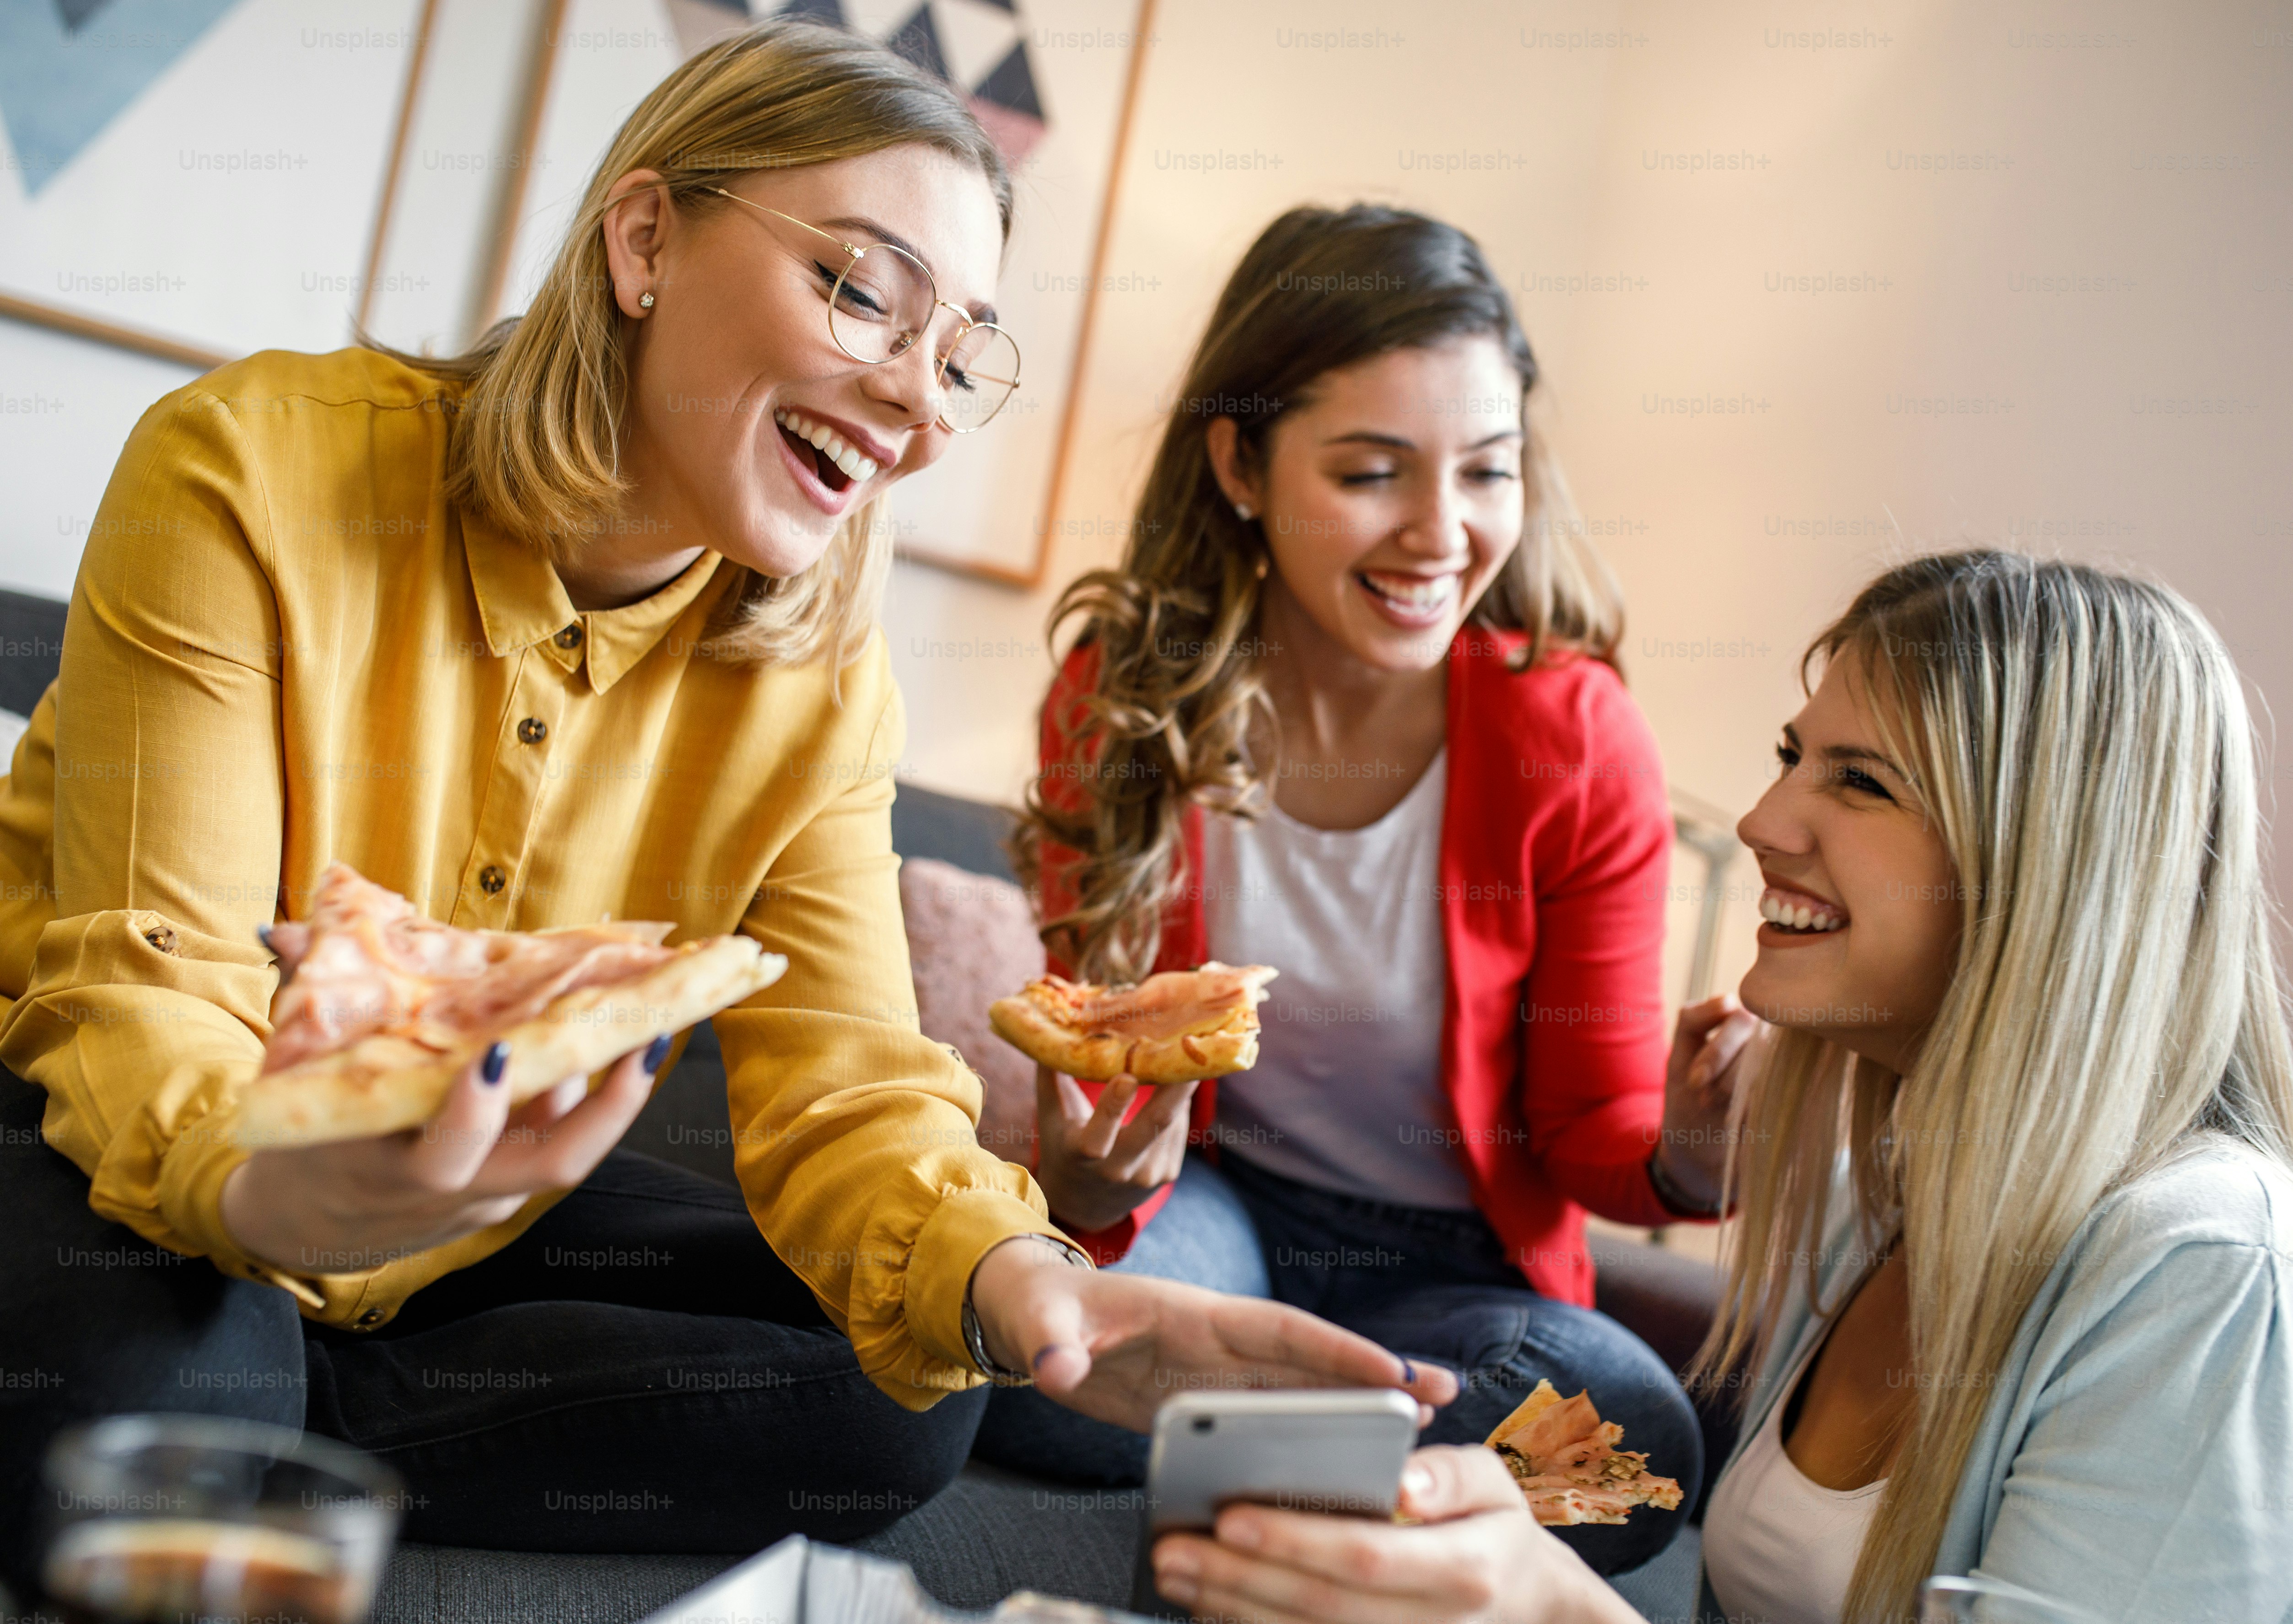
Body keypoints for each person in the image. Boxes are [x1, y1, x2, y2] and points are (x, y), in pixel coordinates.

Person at [0, 20, 1452, 1591]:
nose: (923, 402)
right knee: (154, 1357)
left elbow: (849, 1090)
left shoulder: (823, 678)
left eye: (959, 350)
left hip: (475, 1205)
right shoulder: (249, 469)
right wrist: (285, 1191)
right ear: (642, 242)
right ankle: (241, 1395)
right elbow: (155, 980)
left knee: (909, 1392)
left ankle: (280, 1423)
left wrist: (1037, 1285)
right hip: (115, 1142)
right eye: (859, 292)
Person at [1144, 550, 2293, 1623]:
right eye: (1794, 755)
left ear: (2049, 861)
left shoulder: (2202, 1271)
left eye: (1860, 782)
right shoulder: (1869, 1204)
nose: (1760, 820)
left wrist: (1557, 1602)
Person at [976, 204, 1722, 1576]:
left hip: (1464, 1270)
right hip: (1220, 1204)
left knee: (1632, 1443)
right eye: (1374, 471)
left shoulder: (1575, 737)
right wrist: (1079, 1173)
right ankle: (1365, 1500)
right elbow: (1106, 1090)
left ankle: (1257, 1470)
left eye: (1487, 472)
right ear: (1240, 464)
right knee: (1043, 1370)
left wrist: (1694, 1148)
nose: (1443, 533)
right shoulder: (1122, 698)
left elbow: (1593, 1132)